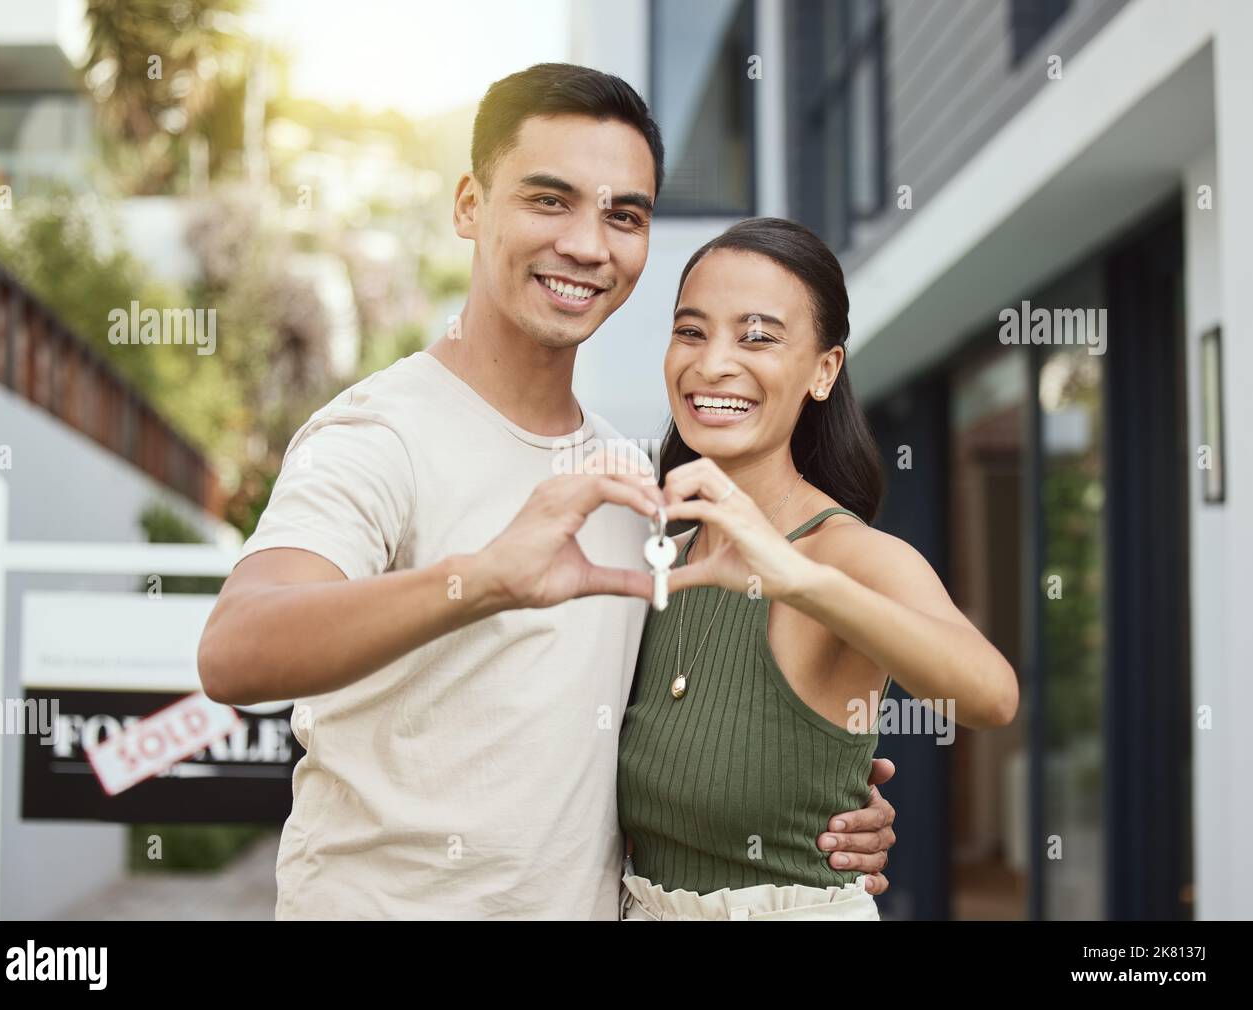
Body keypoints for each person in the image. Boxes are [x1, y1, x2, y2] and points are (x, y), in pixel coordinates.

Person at [197, 63, 897, 920]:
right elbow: (236, 648)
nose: (588, 245)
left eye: (624, 215)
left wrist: (811, 800)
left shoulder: (632, 481)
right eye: (548, 199)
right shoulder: (378, 434)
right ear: (468, 206)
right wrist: (482, 578)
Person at [616, 217, 1019, 920]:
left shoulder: (845, 553)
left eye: (758, 336)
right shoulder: (661, 552)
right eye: (690, 331)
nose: (712, 364)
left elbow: (990, 695)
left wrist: (797, 578)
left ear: (824, 370)